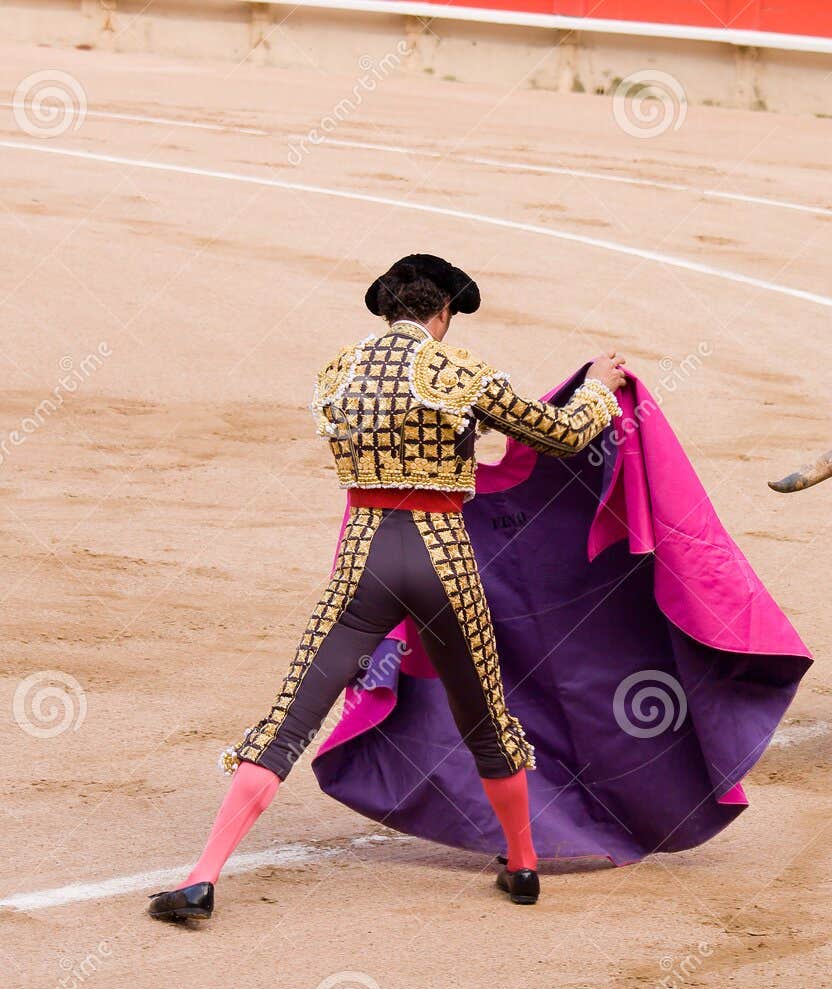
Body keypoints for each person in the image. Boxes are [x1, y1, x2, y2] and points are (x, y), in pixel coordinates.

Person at [148, 254, 624, 922]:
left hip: (364, 557)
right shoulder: (461, 370)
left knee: (290, 715)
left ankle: (201, 877)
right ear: (444, 314)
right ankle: (522, 866)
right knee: (485, 715)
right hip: (445, 558)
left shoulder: (337, 371)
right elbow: (563, 435)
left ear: (386, 310)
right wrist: (598, 387)